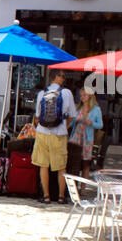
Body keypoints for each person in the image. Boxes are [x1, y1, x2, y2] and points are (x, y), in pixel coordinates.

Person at [32, 70, 75, 204]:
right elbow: (72, 115)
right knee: (61, 166)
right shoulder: (66, 93)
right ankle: (61, 197)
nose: (64, 78)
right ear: (56, 77)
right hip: (59, 133)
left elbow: (38, 116)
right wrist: (64, 127)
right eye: (62, 76)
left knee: (43, 165)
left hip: (42, 132)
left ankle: (46, 196)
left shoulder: (41, 93)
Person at [67, 86, 104, 178]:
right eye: (80, 95)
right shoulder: (78, 108)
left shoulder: (96, 109)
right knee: (73, 162)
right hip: (75, 138)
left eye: (84, 95)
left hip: (87, 140)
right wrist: (71, 120)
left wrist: (91, 123)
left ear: (90, 96)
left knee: (85, 164)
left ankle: (83, 189)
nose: (82, 97)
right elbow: (71, 124)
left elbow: (100, 125)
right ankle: (73, 186)